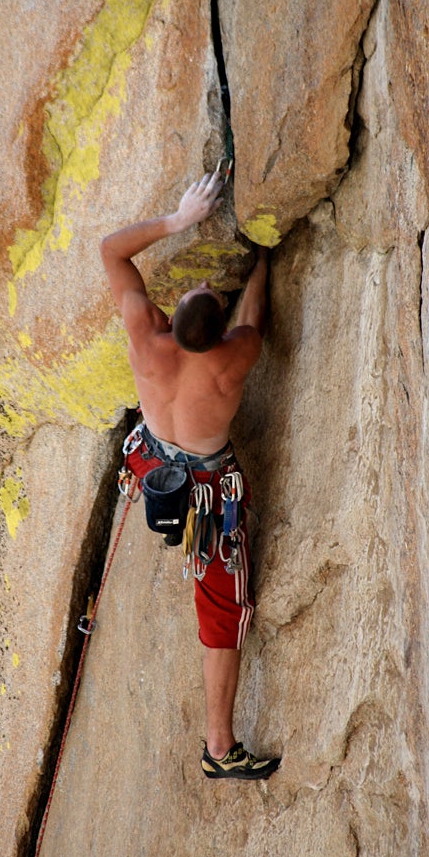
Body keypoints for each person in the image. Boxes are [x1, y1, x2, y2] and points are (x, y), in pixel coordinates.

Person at [100, 171, 280, 781]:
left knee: (154, 454)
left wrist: (178, 220)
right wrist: (262, 263)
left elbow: (110, 249)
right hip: (208, 491)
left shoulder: (144, 339)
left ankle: (219, 745)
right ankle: (219, 747)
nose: (198, 283)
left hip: (149, 461)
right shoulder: (233, 357)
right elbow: (255, 322)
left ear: (171, 319)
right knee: (222, 609)